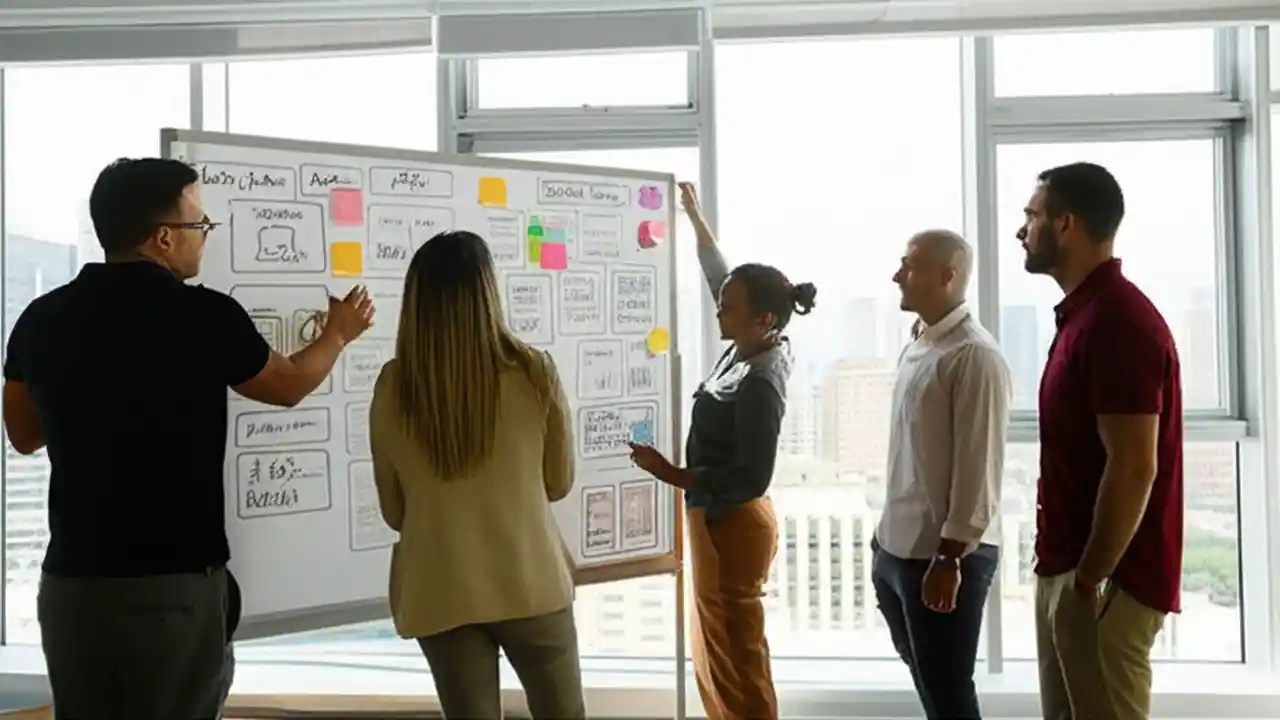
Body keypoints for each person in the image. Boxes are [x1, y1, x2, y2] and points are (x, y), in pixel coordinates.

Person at [1, 157, 374, 719]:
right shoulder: (204, 316)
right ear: (164, 238)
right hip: (172, 587)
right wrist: (339, 333)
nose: (205, 239)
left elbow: (24, 435)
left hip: (74, 585)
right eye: (200, 226)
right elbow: (290, 385)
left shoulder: (41, 318)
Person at [369, 230, 584, 720]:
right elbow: (557, 482)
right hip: (532, 582)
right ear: (488, 291)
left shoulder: (393, 387)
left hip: (440, 588)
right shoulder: (533, 372)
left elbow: (394, 511)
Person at [629, 182, 816, 720]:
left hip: (733, 524)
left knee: (735, 652)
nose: (718, 312)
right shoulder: (751, 342)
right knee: (717, 646)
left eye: (728, 308)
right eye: (720, 304)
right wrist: (694, 218)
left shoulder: (761, 379)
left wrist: (670, 473)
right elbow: (724, 280)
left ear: (763, 319)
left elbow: (751, 477)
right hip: (716, 521)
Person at [1020, 162, 1183, 720]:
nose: (1023, 230)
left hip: (1106, 582)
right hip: (1071, 571)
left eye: (1032, 216)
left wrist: (1089, 578)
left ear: (1065, 224)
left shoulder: (1118, 322)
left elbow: (1135, 466)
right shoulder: (1083, 317)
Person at [873, 230, 1012, 720]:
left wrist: (950, 558)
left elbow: (979, 466)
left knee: (948, 694)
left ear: (948, 276)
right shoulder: (920, 344)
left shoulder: (974, 355)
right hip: (896, 546)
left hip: (942, 558)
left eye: (909, 265)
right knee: (930, 685)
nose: (897, 275)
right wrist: (881, 544)